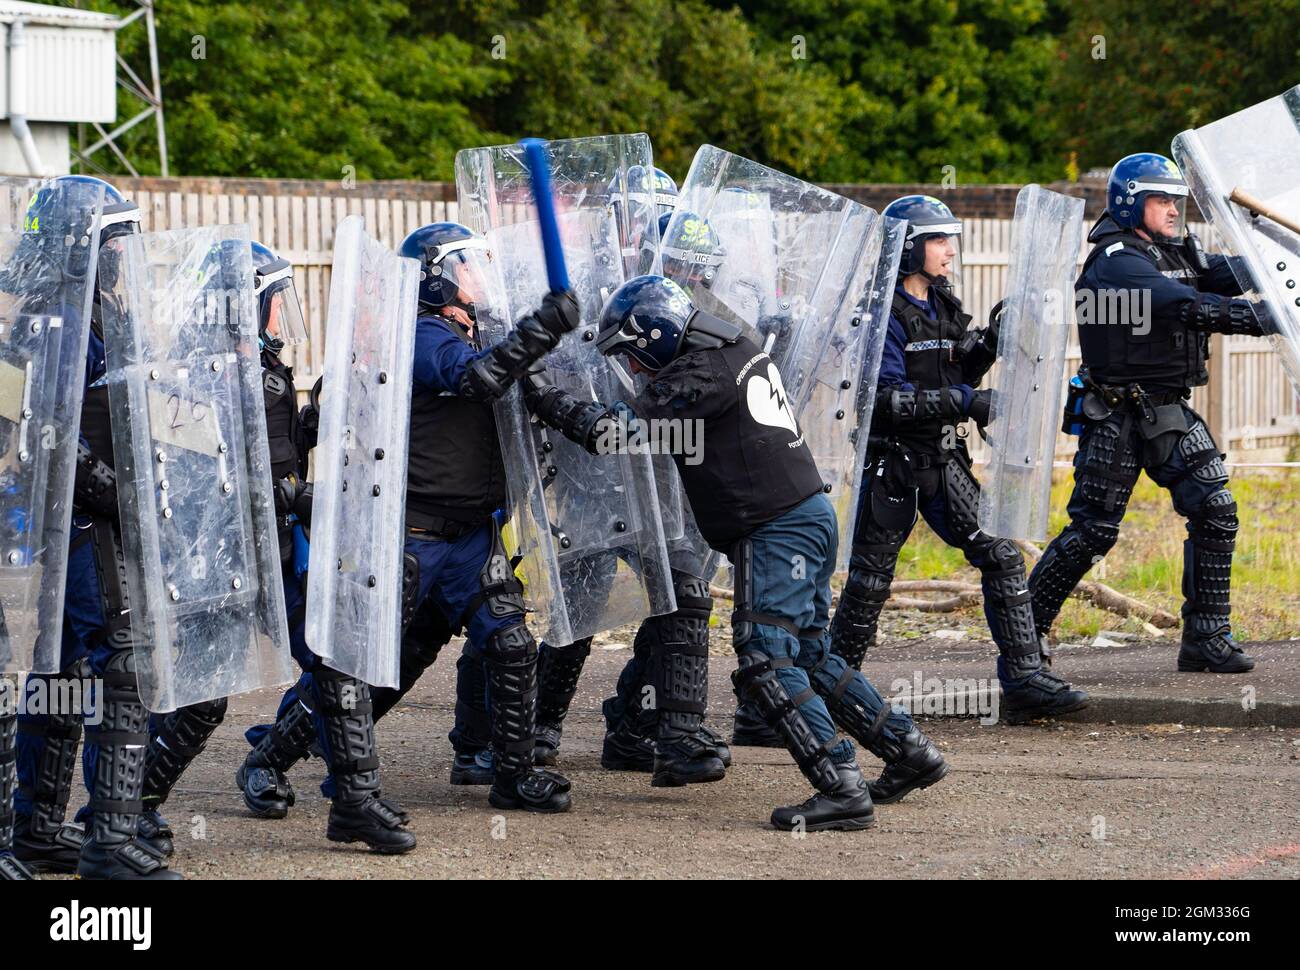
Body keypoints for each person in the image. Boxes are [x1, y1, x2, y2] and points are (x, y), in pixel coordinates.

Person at [531, 273, 950, 829]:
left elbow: (615, 433)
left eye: (631, 357)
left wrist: (539, 391)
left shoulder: (696, 375)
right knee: (808, 656)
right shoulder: (734, 345)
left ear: (653, 338)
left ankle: (841, 786)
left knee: (765, 660)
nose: (631, 371)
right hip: (805, 516)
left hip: (775, 528)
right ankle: (909, 752)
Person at [141, 241, 417, 860]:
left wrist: (321, 414)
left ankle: (355, 801)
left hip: (276, 553)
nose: (279, 316)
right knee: (201, 698)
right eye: (272, 301)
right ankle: (124, 809)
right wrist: (305, 497)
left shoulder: (253, 370)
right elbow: (214, 479)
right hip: (219, 559)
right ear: (238, 306)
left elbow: (277, 451)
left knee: (336, 659)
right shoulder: (199, 377)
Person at [827, 195, 1089, 729]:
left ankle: (1023, 681)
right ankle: (830, 692)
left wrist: (994, 338)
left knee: (1001, 555)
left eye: (951, 237)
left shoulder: (941, 303)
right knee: (870, 581)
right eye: (938, 239)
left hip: (943, 459)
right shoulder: (879, 316)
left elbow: (959, 367)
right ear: (908, 247)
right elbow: (882, 402)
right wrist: (964, 403)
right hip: (893, 465)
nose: (950, 249)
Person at [1029, 154, 1268, 674]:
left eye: (1176, 199)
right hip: (1116, 415)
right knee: (1092, 532)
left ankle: (1206, 637)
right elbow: (1185, 303)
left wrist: (1275, 262)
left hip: (1167, 410)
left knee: (1216, 510)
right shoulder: (1116, 259)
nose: (1173, 209)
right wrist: (1263, 316)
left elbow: (1220, 274)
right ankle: (1023, 636)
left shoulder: (1169, 250)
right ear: (1132, 201)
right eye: (1162, 200)